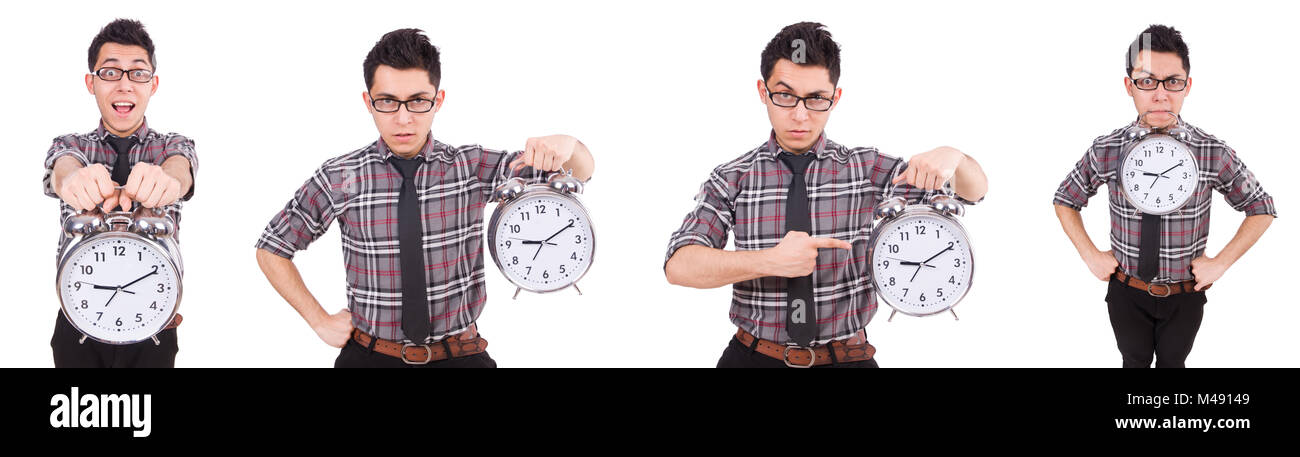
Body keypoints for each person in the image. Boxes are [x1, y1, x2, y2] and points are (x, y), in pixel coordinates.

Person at [255, 28, 595, 368]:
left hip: (461, 357)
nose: (404, 119)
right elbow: (272, 246)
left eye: (418, 101)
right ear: (368, 102)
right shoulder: (341, 175)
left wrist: (569, 144)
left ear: (438, 100)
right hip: (369, 357)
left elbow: (579, 173)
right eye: (387, 101)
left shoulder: (471, 166)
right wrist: (319, 320)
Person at [664, 22, 988, 368]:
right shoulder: (732, 177)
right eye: (785, 95)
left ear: (835, 98)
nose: (800, 115)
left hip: (848, 359)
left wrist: (954, 156)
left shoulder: (868, 170)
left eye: (816, 98)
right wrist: (769, 261)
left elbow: (973, 192)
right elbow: (679, 265)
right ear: (763, 91)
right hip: (752, 359)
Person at [1053, 25, 1275, 368]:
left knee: (1174, 364)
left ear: (1187, 85)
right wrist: (1089, 254)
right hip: (1127, 292)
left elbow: (1261, 208)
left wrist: (1220, 263)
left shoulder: (1210, 151)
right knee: (1133, 361)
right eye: (1147, 81)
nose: (1160, 94)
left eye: (1172, 81)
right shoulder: (1108, 149)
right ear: (1130, 86)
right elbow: (1066, 199)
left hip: (1185, 296)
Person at [44, 19, 198, 368]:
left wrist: (168, 181)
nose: (124, 85)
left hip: (155, 327)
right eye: (110, 72)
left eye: (137, 73)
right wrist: (72, 179)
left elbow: (181, 168)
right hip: (77, 325)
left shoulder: (172, 146)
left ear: (153, 84)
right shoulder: (70, 146)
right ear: (91, 82)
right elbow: (62, 166)